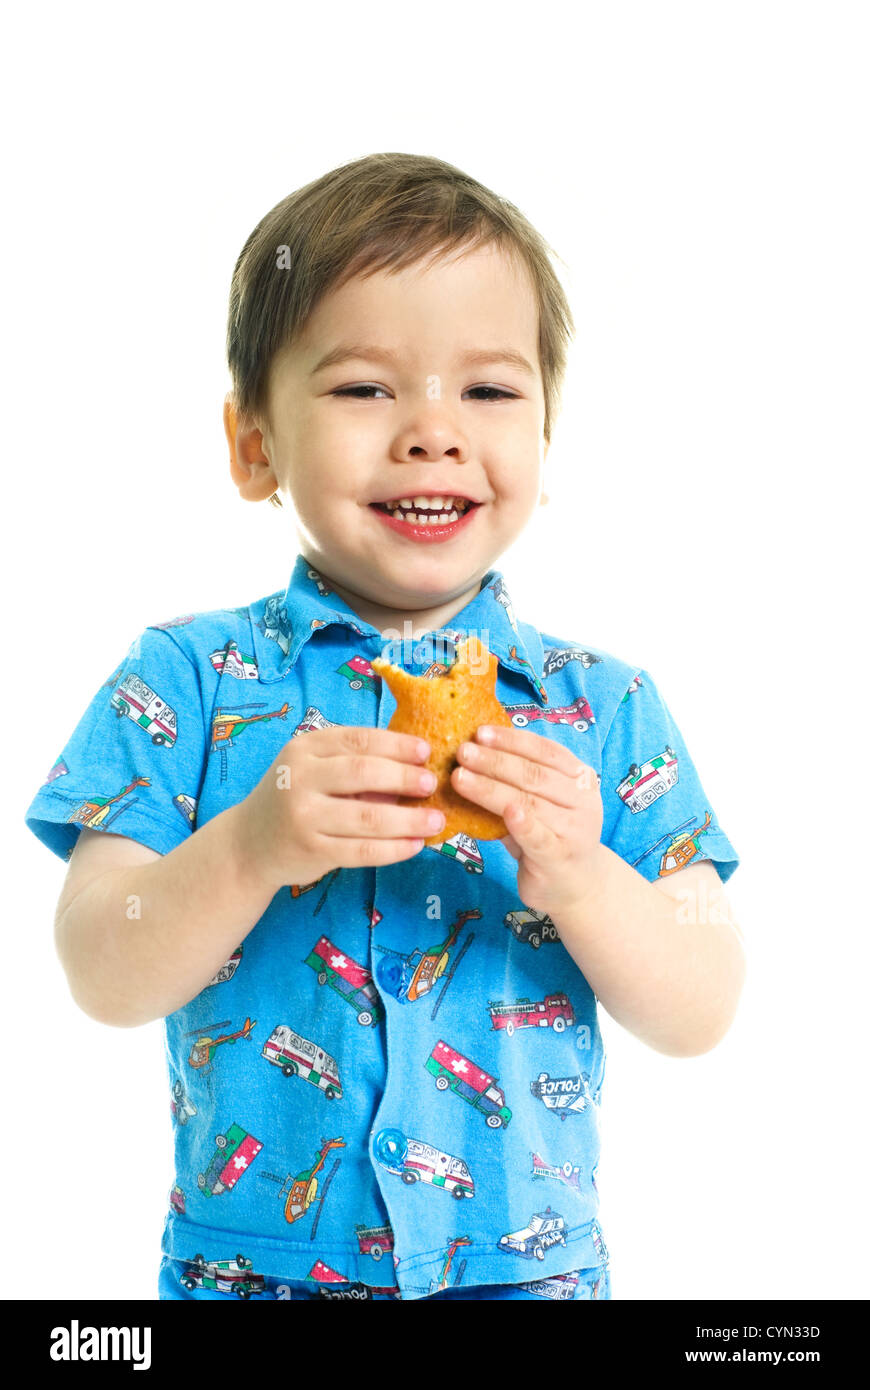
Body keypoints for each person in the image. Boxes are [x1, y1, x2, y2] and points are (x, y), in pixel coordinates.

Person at [24, 152, 744, 1302]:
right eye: (365, 388)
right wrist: (251, 847)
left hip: (529, 1273)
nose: (431, 432)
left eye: (491, 392)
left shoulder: (606, 705)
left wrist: (583, 874)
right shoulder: (187, 677)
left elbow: (703, 1000)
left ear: (547, 439)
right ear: (253, 443)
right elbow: (101, 965)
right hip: (249, 1270)